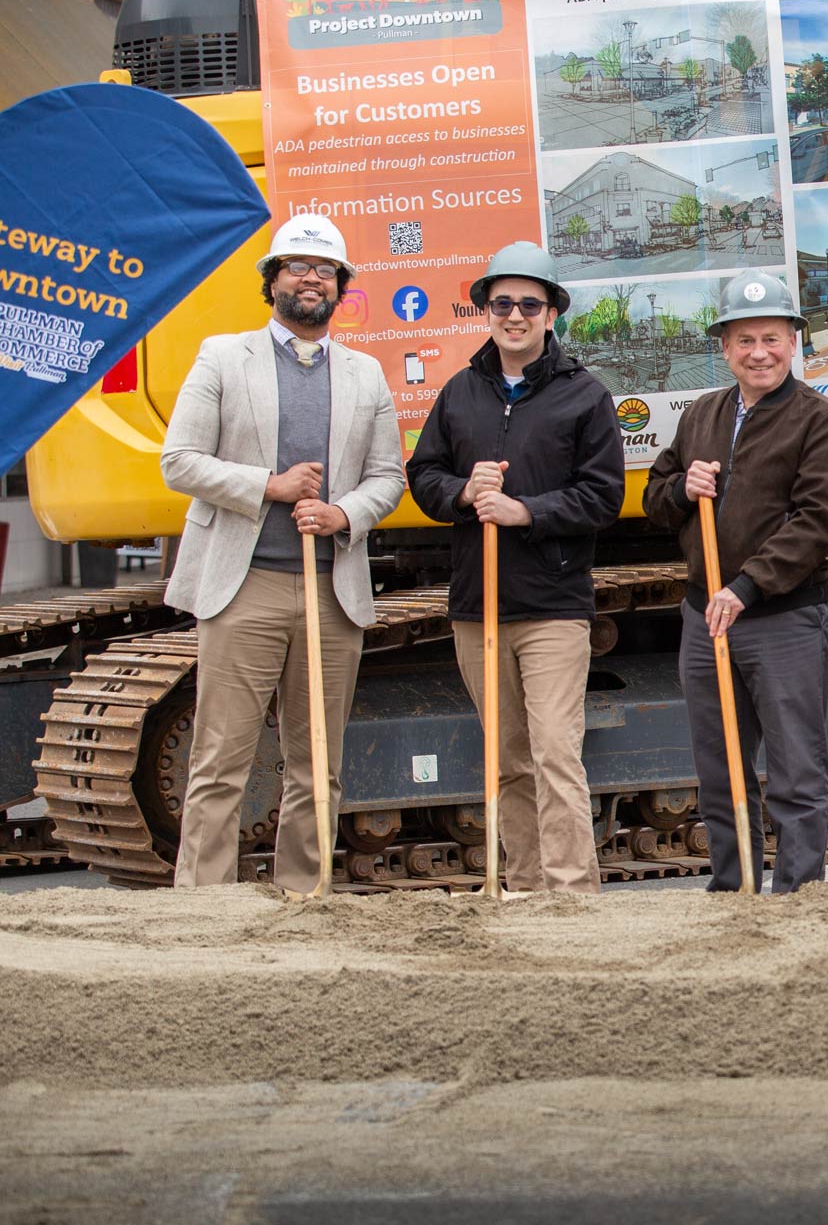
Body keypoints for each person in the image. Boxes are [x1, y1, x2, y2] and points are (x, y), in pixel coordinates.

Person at [161, 214, 408, 891]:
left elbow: (389, 477)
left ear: (341, 287)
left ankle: (306, 895)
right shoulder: (222, 357)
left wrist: (342, 512)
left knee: (317, 762)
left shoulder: (365, 374)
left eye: (324, 269)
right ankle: (204, 903)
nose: (311, 278)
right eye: (297, 266)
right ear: (272, 280)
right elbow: (179, 461)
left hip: (331, 592)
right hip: (244, 588)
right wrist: (265, 486)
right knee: (221, 758)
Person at [407, 242, 625, 895]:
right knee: (507, 759)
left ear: (552, 312)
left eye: (530, 303)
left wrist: (524, 511)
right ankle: (525, 888)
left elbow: (603, 495)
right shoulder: (459, 393)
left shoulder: (584, 396)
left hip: (554, 605)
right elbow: (424, 475)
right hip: (479, 608)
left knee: (555, 751)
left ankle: (571, 895)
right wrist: (464, 495)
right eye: (502, 302)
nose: (515, 315)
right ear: (486, 310)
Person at [644, 270, 828, 894]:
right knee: (721, 768)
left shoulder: (820, 420)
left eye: (771, 337)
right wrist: (682, 489)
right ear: (725, 346)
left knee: (795, 771)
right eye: (744, 340)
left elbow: (818, 522)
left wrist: (746, 587)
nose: (758, 352)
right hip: (703, 616)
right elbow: (657, 498)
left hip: (782, 618)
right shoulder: (701, 414)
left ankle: (796, 895)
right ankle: (733, 890)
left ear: (794, 341)